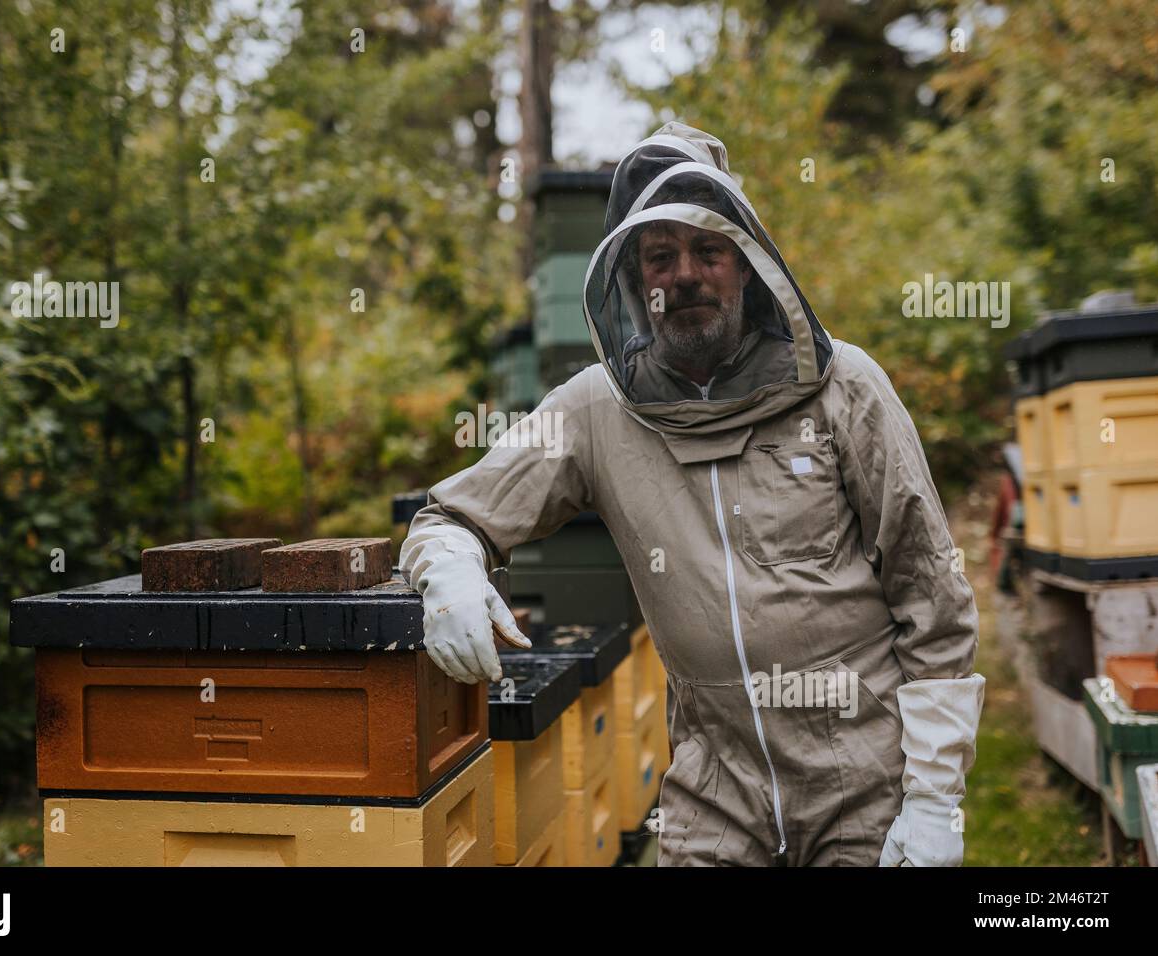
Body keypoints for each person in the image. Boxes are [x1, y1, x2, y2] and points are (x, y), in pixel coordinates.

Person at [399, 122, 985, 867]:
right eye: (660, 255)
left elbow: (932, 599)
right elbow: (454, 512)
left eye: (708, 250)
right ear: (632, 279)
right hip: (714, 789)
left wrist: (934, 799)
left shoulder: (847, 390)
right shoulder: (593, 410)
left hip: (864, 777)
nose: (685, 275)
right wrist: (448, 564)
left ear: (747, 266)